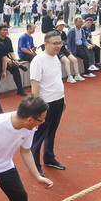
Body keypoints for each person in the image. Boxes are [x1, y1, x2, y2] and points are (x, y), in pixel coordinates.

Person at [30, 30, 67, 172]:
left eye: (60, 43)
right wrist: (38, 106)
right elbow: (35, 83)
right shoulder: (38, 60)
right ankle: (34, 164)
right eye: (55, 43)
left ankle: (49, 158)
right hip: (45, 103)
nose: (58, 46)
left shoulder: (56, 58)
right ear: (46, 44)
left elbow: (56, 80)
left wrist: (63, 98)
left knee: (52, 132)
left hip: (58, 100)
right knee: (39, 134)